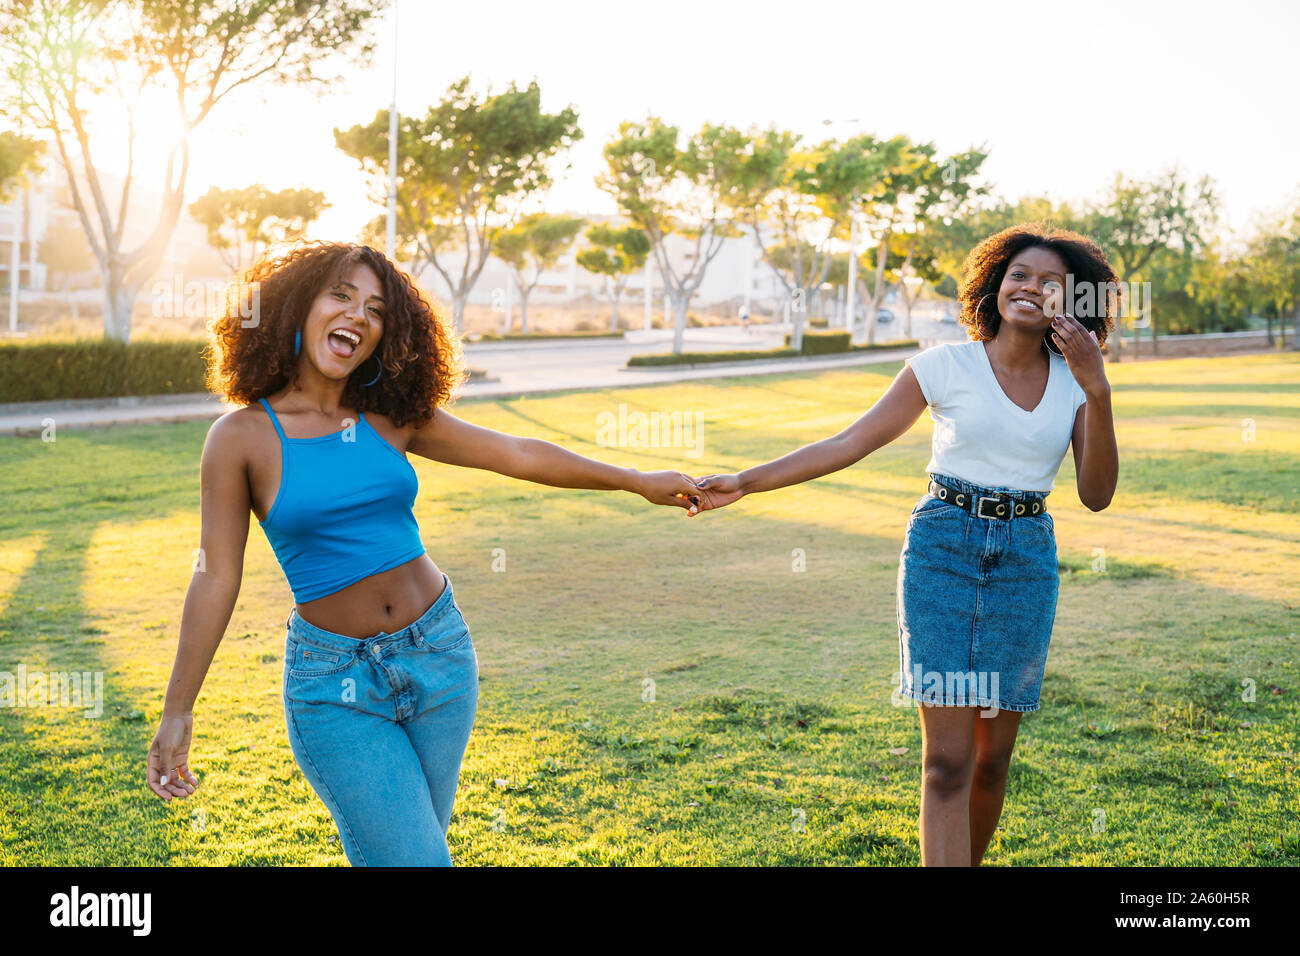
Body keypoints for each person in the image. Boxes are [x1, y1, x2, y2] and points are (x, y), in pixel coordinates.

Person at [146, 241, 700, 866]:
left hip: (439, 656)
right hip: (336, 685)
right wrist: (178, 709)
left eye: (376, 308)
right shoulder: (242, 437)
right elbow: (216, 576)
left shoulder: (390, 417)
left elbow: (515, 453)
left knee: (414, 854)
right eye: (341, 295)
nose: (358, 315)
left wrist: (634, 479)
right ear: (297, 308)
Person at [688, 223, 1119, 866]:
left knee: (991, 762)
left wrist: (1098, 389)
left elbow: (1096, 494)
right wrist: (746, 482)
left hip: (1025, 560)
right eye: (1019, 274)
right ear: (995, 284)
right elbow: (847, 443)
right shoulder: (944, 366)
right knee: (947, 762)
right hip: (943, 550)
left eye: (1050, 282)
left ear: (1073, 302)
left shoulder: (1077, 384)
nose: (1030, 288)